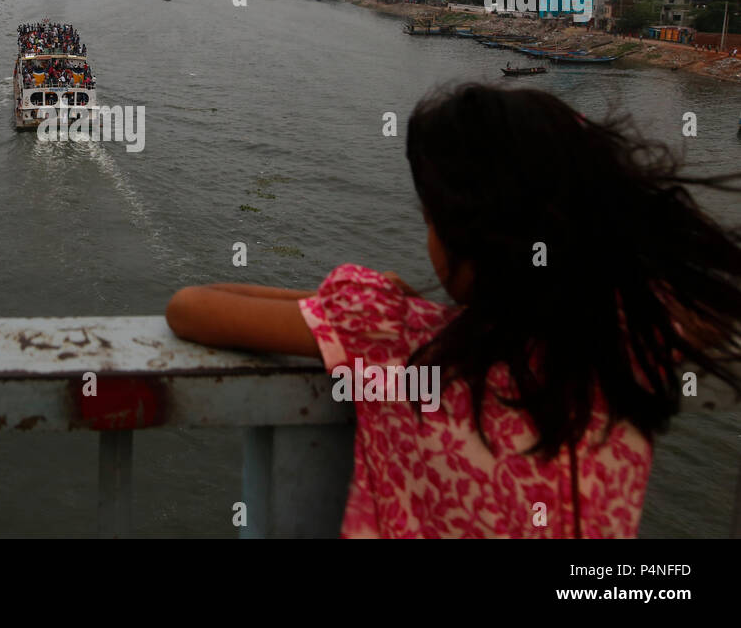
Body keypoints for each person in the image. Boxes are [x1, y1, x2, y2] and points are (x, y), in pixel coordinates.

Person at [165, 82, 741, 538]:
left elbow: (191, 308)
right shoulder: (632, 339)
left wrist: (357, 303)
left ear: (465, 240)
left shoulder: (394, 338)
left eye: (431, 221)